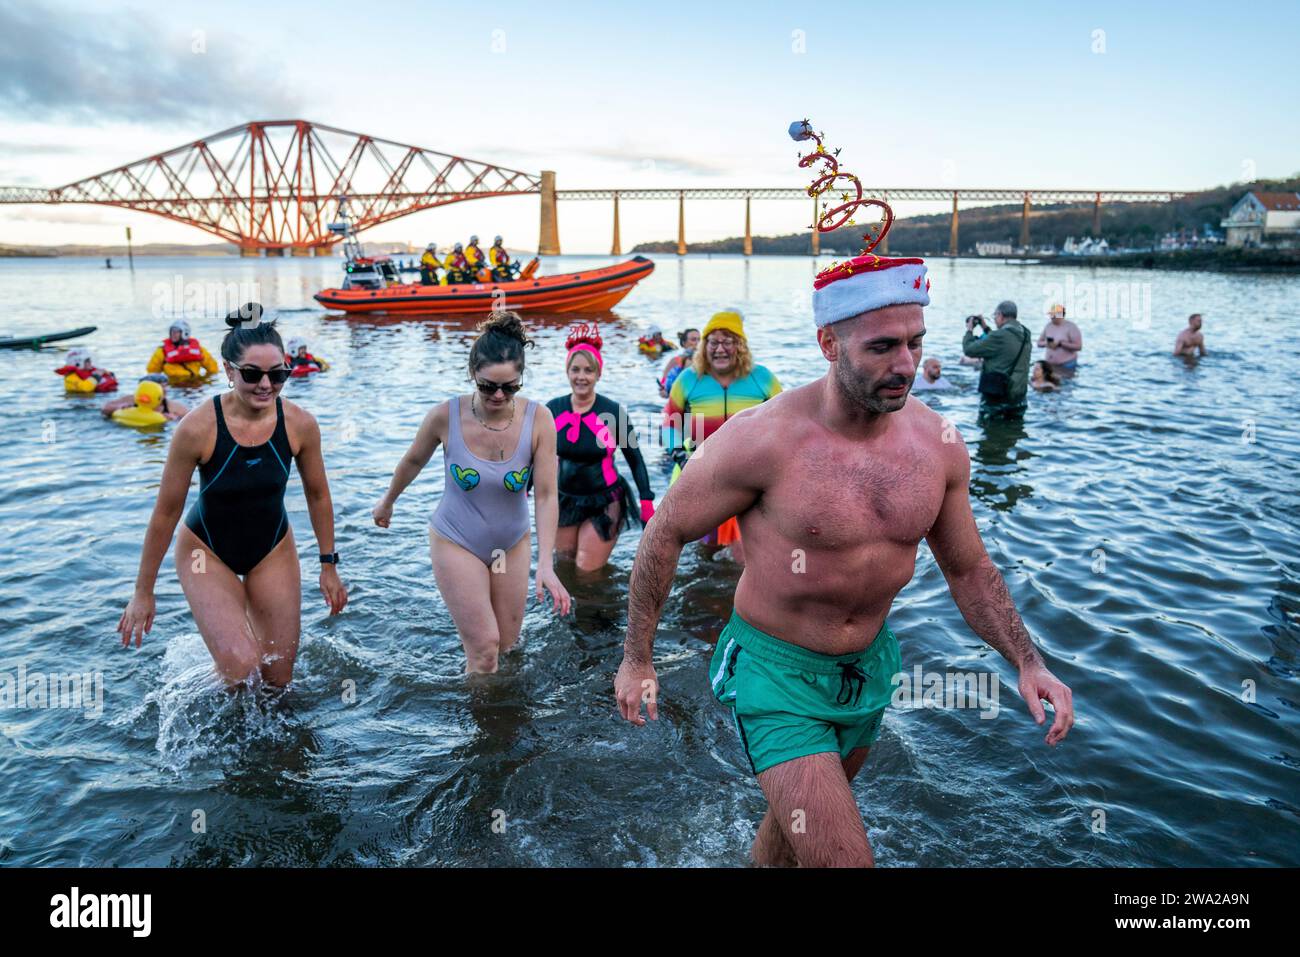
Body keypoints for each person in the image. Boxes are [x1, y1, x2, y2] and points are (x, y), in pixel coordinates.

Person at [615, 253, 1074, 867]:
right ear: (828, 343)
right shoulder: (761, 440)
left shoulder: (938, 445)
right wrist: (637, 658)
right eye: (883, 347)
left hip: (868, 671)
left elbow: (968, 570)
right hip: (776, 675)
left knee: (788, 832)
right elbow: (664, 532)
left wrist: (1026, 659)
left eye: (915, 343)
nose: (905, 365)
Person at [116, 304, 348, 687]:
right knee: (241, 667)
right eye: (253, 374)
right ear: (228, 370)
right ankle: (210, 690)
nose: (266, 385)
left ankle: (273, 745)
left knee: (277, 679)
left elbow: (319, 496)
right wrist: (143, 592)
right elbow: (165, 513)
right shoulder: (196, 428)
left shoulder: (300, 424)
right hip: (205, 551)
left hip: (272, 548)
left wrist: (328, 565)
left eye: (278, 374)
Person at [372, 311, 571, 674]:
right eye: (487, 386)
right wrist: (388, 500)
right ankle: (480, 727)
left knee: (508, 647)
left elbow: (545, 495)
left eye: (509, 387)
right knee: (484, 649)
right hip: (456, 539)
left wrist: (546, 564)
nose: (498, 395)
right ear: (472, 374)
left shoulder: (539, 420)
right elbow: (413, 461)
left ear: (520, 379)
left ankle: (504, 723)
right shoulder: (445, 417)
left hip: (512, 541)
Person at [663, 309, 781, 562]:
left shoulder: (762, 378)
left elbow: (785, 421)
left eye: (728, 342)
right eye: (713, 342)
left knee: (745, 551)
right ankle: (707, 592)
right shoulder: (689, 379)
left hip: (749, 477)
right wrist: (678, 454)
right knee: (706, 547)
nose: (720, 349)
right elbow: (670, 422)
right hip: (699, 471)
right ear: (704, 346)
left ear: (741, 346)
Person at [548, 323, 655, 572]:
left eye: (588, 370)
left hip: (604, 500)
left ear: (598, 374)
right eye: (575, 369)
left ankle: (600, 611)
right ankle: (565, 611)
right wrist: (524, 490)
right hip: (564, 499)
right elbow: (536, 455)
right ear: (567, 371)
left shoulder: (612, 412)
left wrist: (646, 500)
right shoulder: (553, 409)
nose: (581, 377)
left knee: (586, 570)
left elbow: (635, 459)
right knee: (563, 566)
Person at [962, 300, 1032, 424]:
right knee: (1012, 435)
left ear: (1000, 315)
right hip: (1018, 398)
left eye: (995, 316)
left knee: (989, 436)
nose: (994, 319)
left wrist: (969, 330)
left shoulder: (999, 336)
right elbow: (1002, 343)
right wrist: (985, 327)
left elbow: (969, 350)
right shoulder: (1025, 333)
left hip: (997, 398)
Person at [147, 320, 220, 382]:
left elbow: (213, 369)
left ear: (185, 333)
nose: (173, 334)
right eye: (172, 331)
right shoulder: (162, 351)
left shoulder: (198, 350)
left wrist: (204, 381)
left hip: (194, 384)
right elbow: (152, 373)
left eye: (176, 332)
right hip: (173, 385)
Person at [101, 374, 189, 421]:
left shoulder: (175, 407)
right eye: (161, 388)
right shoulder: (131, 400)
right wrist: (118, 408)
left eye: (165, 387)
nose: (165, 391)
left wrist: (175, 419)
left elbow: (189, 422)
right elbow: (105, 409)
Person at [1037, 304, 1082, 373]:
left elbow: (1078, 347)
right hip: (1050, 365)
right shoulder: (1048, 326)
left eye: (1054, 315)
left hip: (1067, 365)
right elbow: (1039, 343)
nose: (1051, 317)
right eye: (1051, 315)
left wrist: (1061, 344)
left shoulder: (1071, 327)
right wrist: (1047, 343)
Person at [658, 327, 700, 398]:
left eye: (699, 339)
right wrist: (664, 390)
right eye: (693, 340)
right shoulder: (675, 361)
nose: (697, 343)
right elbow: (663, 382)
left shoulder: (707, 360)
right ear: (684, 343)